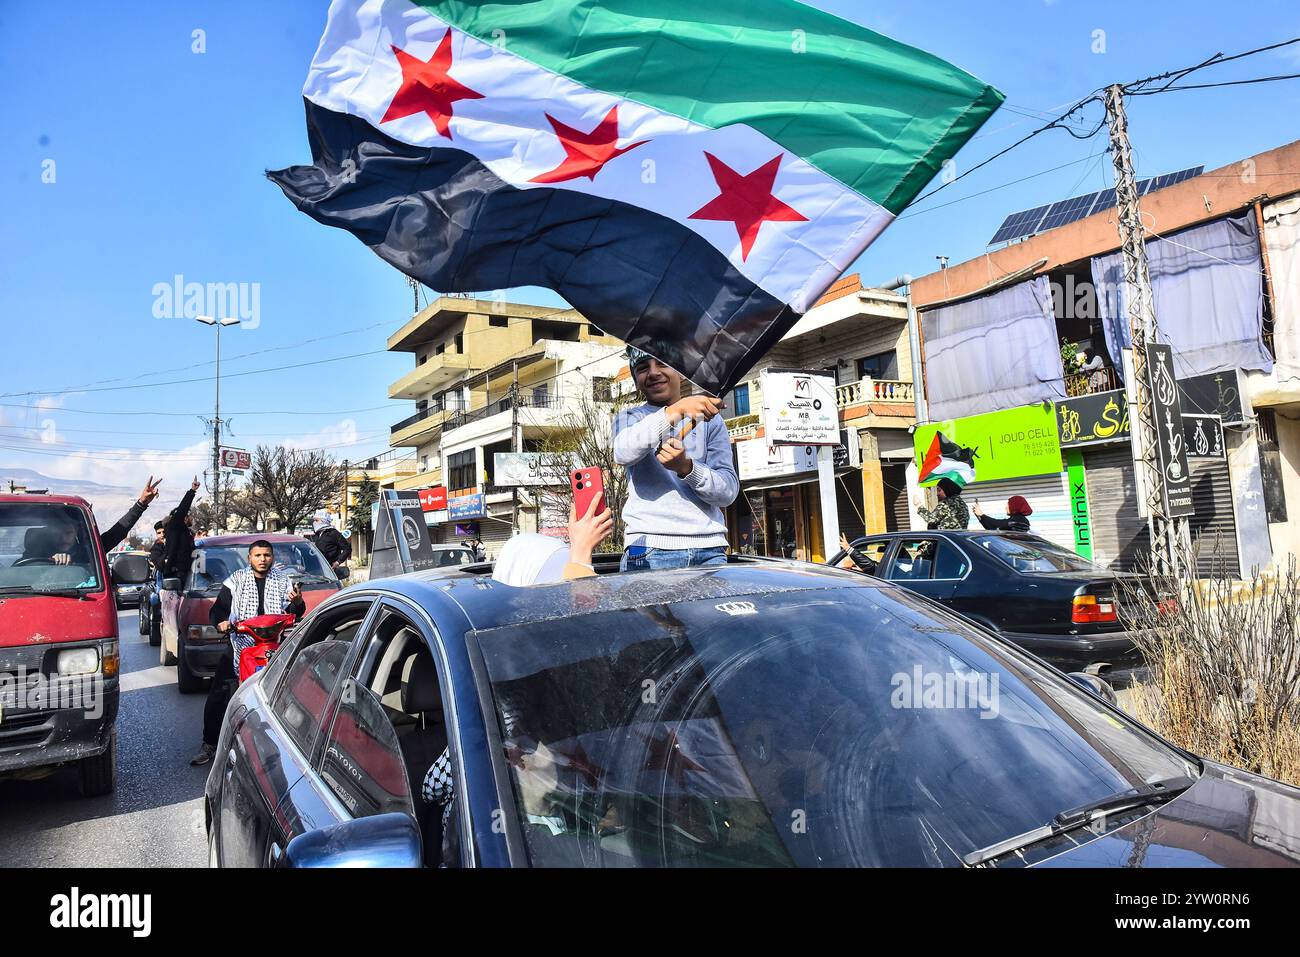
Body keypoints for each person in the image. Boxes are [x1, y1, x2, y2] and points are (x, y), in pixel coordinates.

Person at [613, 346, 738, 571]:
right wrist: (675, 411)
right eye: (642, 368)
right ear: (635, 380)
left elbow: (727, 492)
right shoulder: (630, 418)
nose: (653, 372)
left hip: (710, 551)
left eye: (662, 363)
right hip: (649, 549)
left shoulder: (712, 420)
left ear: (680, 370)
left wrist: (687, 468)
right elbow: (623, 452)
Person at [190, 539, 305, 766]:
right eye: (258, 555)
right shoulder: (236, 581)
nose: (263, 559)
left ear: (273, 558)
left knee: (293, 689)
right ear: (249, 558)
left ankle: (295, 745)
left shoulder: (283, 581)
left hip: (274, 646)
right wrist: (222, 622)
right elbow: (218, 610)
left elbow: (295, 611)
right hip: (240, 644)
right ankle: (209, 744)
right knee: (219, 693)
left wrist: (298, 602)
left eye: (267, 555)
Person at [27, 476, 162, 565]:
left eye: (67, 533)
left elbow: (118, 531)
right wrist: (48, 563)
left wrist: (141, 504)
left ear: (76, 532)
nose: (62, 538)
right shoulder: (34, 558)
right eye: (57, 533)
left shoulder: (89, 551)